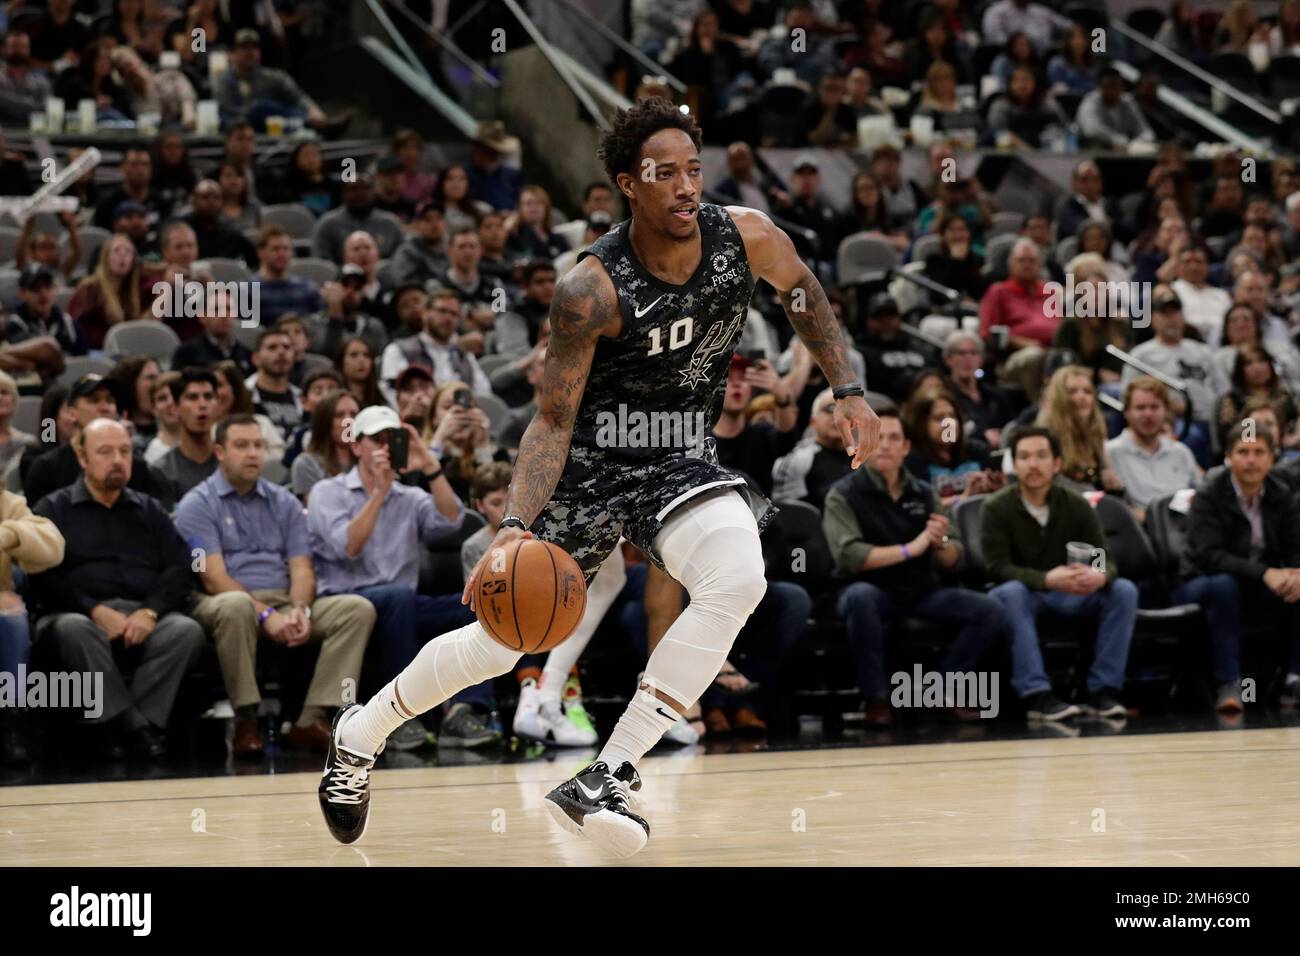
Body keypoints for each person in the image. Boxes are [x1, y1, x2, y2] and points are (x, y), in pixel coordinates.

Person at [317, 97, 879, 856]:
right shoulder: (591, 289)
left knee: (739, 575)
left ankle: (606, 773)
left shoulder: (745, 238)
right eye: (664, 174)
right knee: (501, 640)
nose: (685, 186)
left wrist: (847, 390)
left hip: (677, 455)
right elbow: (550, 421)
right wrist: (512, 528)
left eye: (693, 170)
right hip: (588, 464)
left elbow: (805, 291)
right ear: (628, 183)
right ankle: (362, 732)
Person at [177, 414, 375, 758]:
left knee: (356, 609)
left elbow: (302, 568)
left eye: (258, 446)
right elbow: (213, 577)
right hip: (219, 601)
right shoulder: (196, 504)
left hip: (282, 601)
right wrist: (267, 614)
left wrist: (299, 610)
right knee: (235, 606)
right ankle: (246, 720)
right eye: (242, 446)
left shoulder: (284, 502)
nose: (253, 454)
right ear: (220, 452)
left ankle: (311, 720)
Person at [307, 405, 490, 751]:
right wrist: (378, 493)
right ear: (356, 446)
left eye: (393, 439)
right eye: (376, 439)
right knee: (397, 596)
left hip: (402, 604)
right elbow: (349, 546)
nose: (385, 447)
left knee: (475, 604)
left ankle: (467, 711)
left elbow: (451, 521)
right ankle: (399, 719)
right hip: (348, 601)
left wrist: (430, 465)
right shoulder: (327, 492)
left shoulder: (409, 495)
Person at [29, 419, 207, 761]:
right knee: (75, 630)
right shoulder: (53, 509)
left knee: (186, 630)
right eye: (105, 452)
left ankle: (123, 727)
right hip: (76, 613)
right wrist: (94, 610)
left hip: (142, 612)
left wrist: (150, 611)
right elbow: (43, 576)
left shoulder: (149, 508)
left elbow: (180, 566)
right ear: (82, 458)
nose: (117, 460)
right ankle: (135, 728)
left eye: (125, 451)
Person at [825, 408, 1007, 726]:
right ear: (863, 443)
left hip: (919, 589)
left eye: (894, 438)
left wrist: (941, 542)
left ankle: (940, 689)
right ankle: (877, 699)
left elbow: (954, 559)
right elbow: (851, 556)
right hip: (867, 589)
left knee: (989, 609)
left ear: (906, 447)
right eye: (877, 438)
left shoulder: (925, 492)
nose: (884, 445)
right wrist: (914, 547)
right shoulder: (843, 494)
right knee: (861, 598)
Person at [981, 426, 1138, 722]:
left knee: (1123, 590)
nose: (1033, 464)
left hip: (1071, 596)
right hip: (1023, 598)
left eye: (1041, 456)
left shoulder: (1077, 505)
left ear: (1056, 464)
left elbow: (1106, 559)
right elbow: (996, 569)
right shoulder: (996, 508)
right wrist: (1046, 579)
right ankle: (1037, 695)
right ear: (1014, 465)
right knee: (1011, 592)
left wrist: (1099, 576)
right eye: (1024, 457)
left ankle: (1101, 693)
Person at [1176, 423, 1300, 712]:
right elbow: (1209, 555)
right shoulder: (1208, 493)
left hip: (1255, 583)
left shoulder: (1282, 494)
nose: (1251, 460)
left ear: (1273, 458)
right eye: (1243, 452)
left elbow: (1296, 546)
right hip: (1198, 582)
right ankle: (1229, 684)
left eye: (1259, 452)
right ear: (1228, 457)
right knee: (1224, 586)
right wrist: (1265, 573)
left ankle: (1294, 679)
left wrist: (1296, 574)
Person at [24, 373, 173, 508]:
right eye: (94, 400)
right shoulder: (46, 467)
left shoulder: (137, 467)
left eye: (110, 400)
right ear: (72, 412)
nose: (104, 407)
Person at [0, 481, 64, 765]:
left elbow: (53, 547)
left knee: (12, 617)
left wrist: (10, 534)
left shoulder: (7, 504)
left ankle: (13, 720)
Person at [1105, 377, 1200, 523]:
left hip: (1184, 529)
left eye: (1154, 407)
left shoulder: (1181, 452)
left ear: (1166, 411)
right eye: (1140, 408)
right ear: (1126, 412)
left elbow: (1202, 497)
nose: (1148, 414)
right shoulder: (1110, 453)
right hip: (1138, 533)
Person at [378, 286, 491, 404]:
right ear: (425, 313)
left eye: (454, 314)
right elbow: (390, 394)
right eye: (442, 311)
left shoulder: (464, 354)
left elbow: (484, 394)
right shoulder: (398, 350)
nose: (448, 318)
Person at [979, 238, 1056, 400]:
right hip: (1012, 359)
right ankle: (1042, 408)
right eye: (1021, 260)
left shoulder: (1050, 291)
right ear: (1010, 265)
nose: (1027, 264)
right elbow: (987, 333)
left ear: (1040, 265)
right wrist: (1019, 342)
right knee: (1033, 355)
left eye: (1032, 260)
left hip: (1052, 352)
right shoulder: (999, 291)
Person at [1036, 365, 1125, 494]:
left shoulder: (1095, 435)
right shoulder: (1044, 440)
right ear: (1058, 398)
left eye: (1087, 391)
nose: (1082, 397)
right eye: (1072, 391)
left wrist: (1111, 481)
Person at [902, 387, 1000, 504]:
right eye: (939, 418)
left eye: (952, 416)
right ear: (921, 425)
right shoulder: (911, 460)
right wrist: (963, 498)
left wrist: (994, 486)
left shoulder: (977, 450)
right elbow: (921, 506)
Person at [771, 387, 851, 508]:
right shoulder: (798, 460)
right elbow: (786, 515)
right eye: (830, 408)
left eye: (845, 410)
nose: (837, 415)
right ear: (813, 421)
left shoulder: (868, 458)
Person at [1214, 344, 1299, 453]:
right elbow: (1224, 437)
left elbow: (1292, 425)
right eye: (1249, 363)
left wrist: (1290, 440)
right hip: (1244, 454)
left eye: (1262, 361)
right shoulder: (1231, 400)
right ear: (1240, 370)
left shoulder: (1284, 396)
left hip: (1284, 452)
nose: (1257, 367)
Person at [67, 235, 143, 351]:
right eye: (116, 251)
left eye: (128, 252)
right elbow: (74, 327)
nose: (122, 256)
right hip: (93, 351)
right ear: (106, 257)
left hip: (124, 350)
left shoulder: (132, 289)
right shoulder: (90, 288)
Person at [941, 330, 1014, 449]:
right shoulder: (943, 396)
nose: (968, 358)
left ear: (981, 359)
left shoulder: (995, 396)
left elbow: (1012, 427)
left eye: (973, 353)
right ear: (948, 359)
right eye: (961, 353)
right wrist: (982, 436)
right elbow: (945, 435)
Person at [153, 367, 218, 499]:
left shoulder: (231, 462)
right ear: (176, 408)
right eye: (193, 397)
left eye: (208, 396)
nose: (202, 404)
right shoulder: (162, 471)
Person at [312, 175, 404, 262]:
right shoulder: (328, 224)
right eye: (354, 189)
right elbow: (322, 265)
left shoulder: (390, 223)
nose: (360, 193)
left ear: (374, 192)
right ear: (343, 193)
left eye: (366, 188)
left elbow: (400, 263)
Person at [291, 389, 358, 502]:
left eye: (354, 414)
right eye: (339, 415)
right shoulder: (307, 464)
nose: (349, 421)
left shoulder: (368, 460)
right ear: (324, 421)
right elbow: (318, 512)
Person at [170, 288, 254, 374]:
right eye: (216, 309)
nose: (224, 315)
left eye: (229, 309)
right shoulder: (186, 353)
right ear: (202, 316)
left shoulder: (246, 353)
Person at [255, 226, 323, 323]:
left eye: (286, 249)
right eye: (275, 249)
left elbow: (317, 325)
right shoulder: (246, 289)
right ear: (261, 252)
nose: (282, 254)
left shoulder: (307, 288)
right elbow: (246, 331)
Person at [246, 329, 304, 440]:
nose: (281, 352)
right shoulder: (242, 394)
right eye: (272, 347)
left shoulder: (302, 397)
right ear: (256, 358)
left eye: (286, 347)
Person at [1078, 68, 1155, 151]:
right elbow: (1091, 131)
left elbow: (1144, 129)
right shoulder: (1090, 102)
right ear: (1099, 86)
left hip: (1124, 152)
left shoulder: (1127, 101)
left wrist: (1142, 140)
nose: (1114, 90)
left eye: (1118, 85)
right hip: (1092, 152)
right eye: (1109, 86)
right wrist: (1120, 140)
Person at [0, 29, 52, 126]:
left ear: (29, 49)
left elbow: (47, 109)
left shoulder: (41, 82)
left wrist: (6, 102)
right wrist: (32, 104)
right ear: (3, 49)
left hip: (34, 137)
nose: (19, 51)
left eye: (23, 47)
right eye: (14, 46)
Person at [390, 201, 448, 287]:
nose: (434, 224)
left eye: (439, 218)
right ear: (417, 224)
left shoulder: (453, 249)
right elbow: (403, 283)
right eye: (427, 219)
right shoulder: (407, 251)